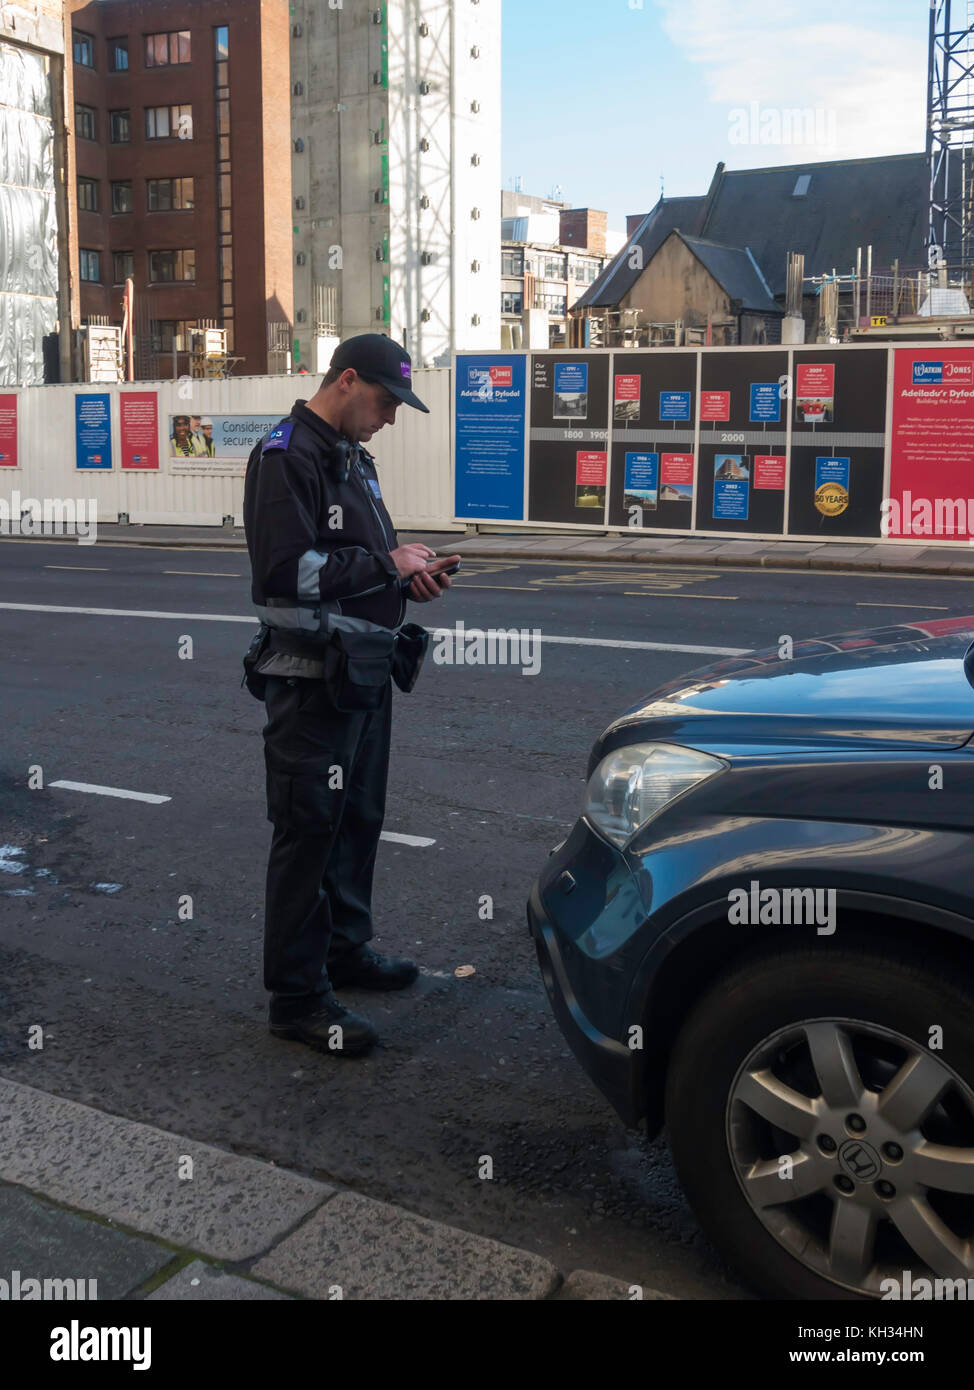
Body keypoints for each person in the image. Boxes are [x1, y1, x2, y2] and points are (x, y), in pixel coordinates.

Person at [242, 334, 460, 1057]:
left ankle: (344, 950)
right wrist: (382, 561)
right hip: (311, 681)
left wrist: (404, 575)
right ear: (345, 381)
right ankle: (298, 998)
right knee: (309, 832)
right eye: (387, 401)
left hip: (360, 673)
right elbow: (284, 574)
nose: (391, 418)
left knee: (357, 818)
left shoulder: (351, 458)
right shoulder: (286, 455)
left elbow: (357, 562)